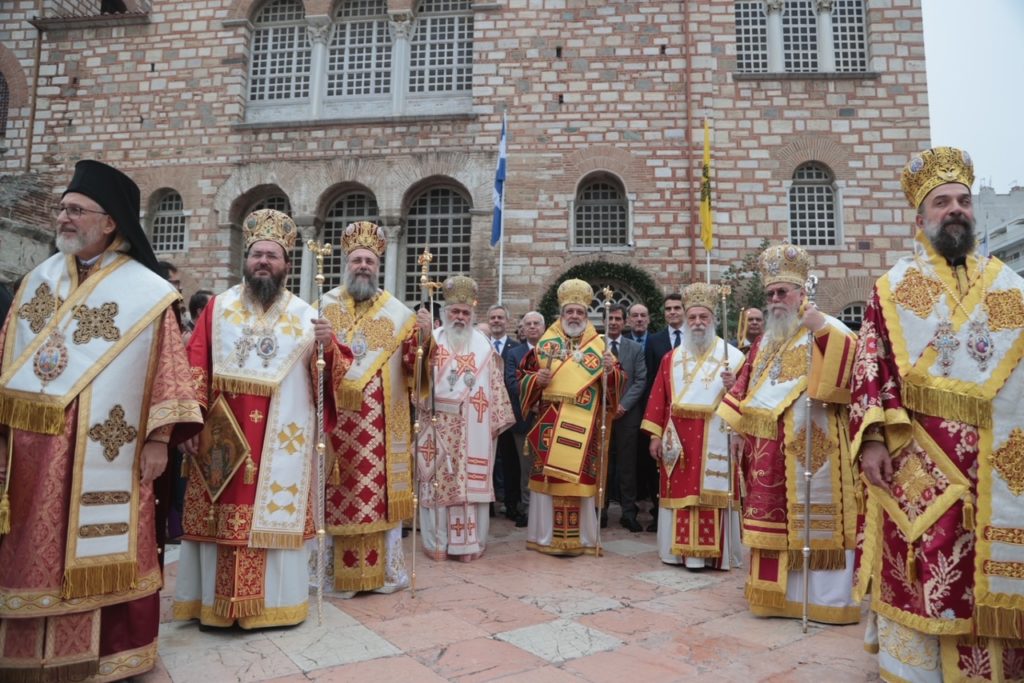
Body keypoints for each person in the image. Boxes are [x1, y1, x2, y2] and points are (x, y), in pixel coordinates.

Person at [0, 160, 202, 681]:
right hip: (30, 449)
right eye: (62, 208)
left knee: (99, 547)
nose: (64, 218)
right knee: (27, 543)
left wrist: (160, 440)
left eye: (76, 210)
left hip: (107, 450)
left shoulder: (147, 292)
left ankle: (111, 653)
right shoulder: (36, 283)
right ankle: (23, 652)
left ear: (109, 222)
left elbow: (170, 373)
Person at [852, 147, 1024, 680]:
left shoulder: (1010, 290)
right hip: (918, 465)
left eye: (964, 201)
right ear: (921, 218)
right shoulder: (894, 288)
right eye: (943, 201)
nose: (956, 209)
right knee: (920, 570)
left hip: (998, 468)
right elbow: (870, 367)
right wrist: (874, 439)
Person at [173, 208, 324, 629]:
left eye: (272, 256)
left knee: (270, 519)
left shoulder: (305, 316)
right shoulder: (218, 308)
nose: (263, 262)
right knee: (220, 518)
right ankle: (213, 607)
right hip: (222, 438)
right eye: (257, 254)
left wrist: (328, 351)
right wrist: (190, 422)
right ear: (246, 259)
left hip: (278, 442)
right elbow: (194, 365)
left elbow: (326, 381)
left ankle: (274, 606)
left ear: (286, 266)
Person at [717, 243, 859, 624]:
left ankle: (827, 601)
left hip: (817, 445)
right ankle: (775, 598)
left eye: (783, 291)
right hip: (767, 454)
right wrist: (735, 431)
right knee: (774, 523)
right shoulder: (765, 342)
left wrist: (822, 331)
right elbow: (745, 387)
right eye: (771, 294)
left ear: (802, 292)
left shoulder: (825, 327)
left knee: (818, 522)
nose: (777, 299)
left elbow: (852, 369)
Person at [314, 221, 416, 596]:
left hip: (381, 430)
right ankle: (331, 576)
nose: (362, 266)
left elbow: (414, 369)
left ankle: (382, 575)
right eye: (357, 260)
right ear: (347, 263)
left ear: (378, 266)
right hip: (333, 423)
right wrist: (321, 346)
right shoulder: (322, 307)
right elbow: (304, 361)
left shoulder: (399, 314)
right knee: (333, 495)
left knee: (376, 497)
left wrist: (422, 344)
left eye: (369, 261)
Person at [642, 283, 745, 568]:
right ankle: (678, 553)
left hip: (716, 432)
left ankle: (716, 557)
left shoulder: (733, 357)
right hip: (679, 437)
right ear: (685, 321)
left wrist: (734, 386)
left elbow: (747, 400)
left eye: (704, 317)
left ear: (713, 320)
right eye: (693, 318)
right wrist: (654, 435)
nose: (698, 323)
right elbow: (658, 398)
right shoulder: (670, 358)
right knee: (680, 493)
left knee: (712, 493)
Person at [518, 279, 623, 556]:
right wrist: (535, 381)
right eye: (569, 312)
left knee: (578, 479)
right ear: (561, 315)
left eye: (579, 312)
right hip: (549, 423)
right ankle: (545, 537)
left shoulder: (600, 347)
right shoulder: (544, 345)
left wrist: (611, 372)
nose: (574, 316)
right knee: (549, 481)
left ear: (587, 316)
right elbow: (522, 378)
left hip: (584, 425)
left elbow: (615, 388)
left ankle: (584, 539)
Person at [413, 276, 514, 561]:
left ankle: (468, 545)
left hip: (474, 428)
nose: (460, 317)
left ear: (472, 314)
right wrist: (424, 366)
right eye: (455, 311)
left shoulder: (483, 346)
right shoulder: (431, 340)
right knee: (436, 484)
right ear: (445, 312)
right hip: (438, 426)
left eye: (465, 313)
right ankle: (438, 543)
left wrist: (494, 424)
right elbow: (416, 390)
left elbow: (495, 388)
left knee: (470, 488)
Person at [637, 293, 686, 531]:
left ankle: (683, 512)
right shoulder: (655, 341)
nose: (673, 312)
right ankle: (659, 515)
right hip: (664, 412)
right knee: (659, 465)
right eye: (668, 309)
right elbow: (648, 380)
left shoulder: (696, 339)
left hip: (689, 412)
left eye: (677, 307)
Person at [603, 304, 647, 531]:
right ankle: (599, 510)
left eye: (618, 319)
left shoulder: (634, 348)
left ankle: (628, 513)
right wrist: (608, 406)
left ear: (624, 322)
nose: (614, 322)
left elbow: (640, 380)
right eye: (610, 318)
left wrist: (623, 405)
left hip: (627, 416)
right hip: (601, 416)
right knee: (603, 465)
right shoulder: (594, 347)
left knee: (627, 466)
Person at [505, 311, 544, 527]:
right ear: (522, 329)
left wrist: (544, 401)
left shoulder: (553, 350)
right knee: (526, 467)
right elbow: (511, 383)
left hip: (549, 417)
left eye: (536, 323)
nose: (532, 327)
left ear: (543, 327)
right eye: (527, 324)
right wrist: (532, 399)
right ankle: (529, 510)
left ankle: (546, 509)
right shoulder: (514, 353)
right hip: (524, 418)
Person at [488, 304, 521, 520]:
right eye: (493, 318)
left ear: (506, 321)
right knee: (487, 460)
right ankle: (487, 506)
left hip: (510, 412)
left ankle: (511, 504)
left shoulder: (516, 347)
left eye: (500, 317)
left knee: (510, 462)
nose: (497, 321)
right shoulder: (480, 345)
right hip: (485, 411)